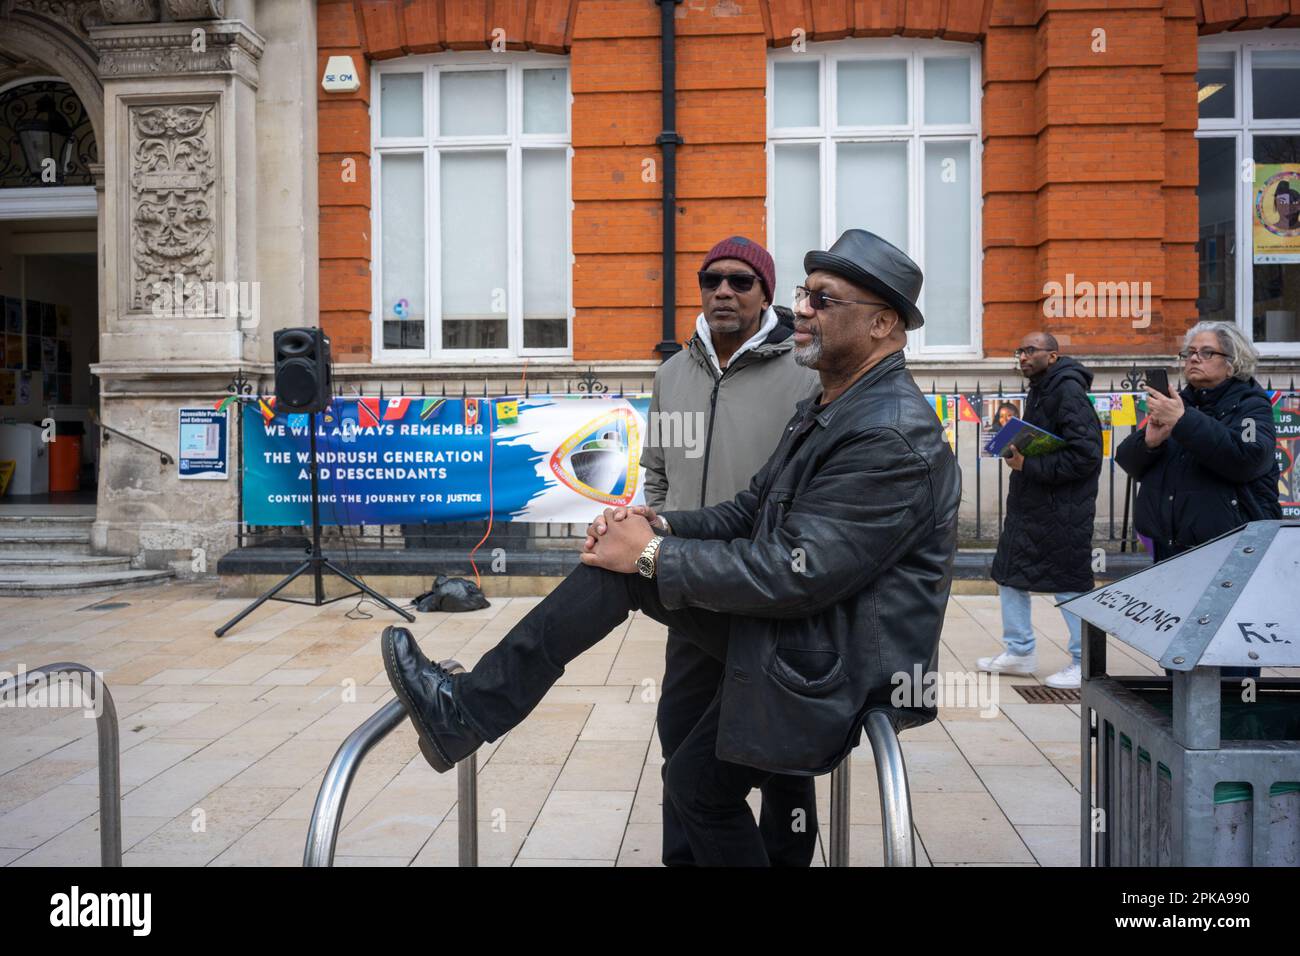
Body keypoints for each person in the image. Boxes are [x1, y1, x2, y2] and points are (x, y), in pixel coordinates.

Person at [380, 229, 961, 866]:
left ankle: (466, 712)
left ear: (883, 324)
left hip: (833, 658)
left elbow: (801, 570)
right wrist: (658, 529)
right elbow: (750, 510)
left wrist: (651, 557)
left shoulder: (889, 433)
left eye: (824, 300)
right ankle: (466, 712)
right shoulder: (833, 403)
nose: (804, 311)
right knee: (691, 774)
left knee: (703, 770)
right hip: (801, 633)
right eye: (805, 294)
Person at [642, 235, 820, 867]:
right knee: (680, 735)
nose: (723, 289)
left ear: (766, 293)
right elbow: (656, 472)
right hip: (691, 589)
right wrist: (657, 522)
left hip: (770, 591)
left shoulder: (805, 368)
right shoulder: (671, 372)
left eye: (740, 281)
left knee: (780, 761)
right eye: (711, 278)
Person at [978, 332, 1103, 689]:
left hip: (1063, 509)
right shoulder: (1042, 389)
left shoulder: (1067, 391)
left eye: (1031, 350)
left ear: (1053, 356)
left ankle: (1084, 662)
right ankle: (1019, 651)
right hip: (1030, 504)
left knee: (1068, 583)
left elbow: (1087, 455)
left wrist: (1028, 467)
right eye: (1020, 350)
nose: (1022, 356)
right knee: (1009, 572)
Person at [1116, 320, 1280, 560]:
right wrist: (1149, 442)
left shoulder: (1251, 405)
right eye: (1190, 352)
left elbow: (1248, 457)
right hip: (1168, 550)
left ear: (1232, 363)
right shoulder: (1181, 404)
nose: (1194, 358)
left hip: (1232, 549)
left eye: (1207, 352)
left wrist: (1183, 421)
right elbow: (1128, 463)